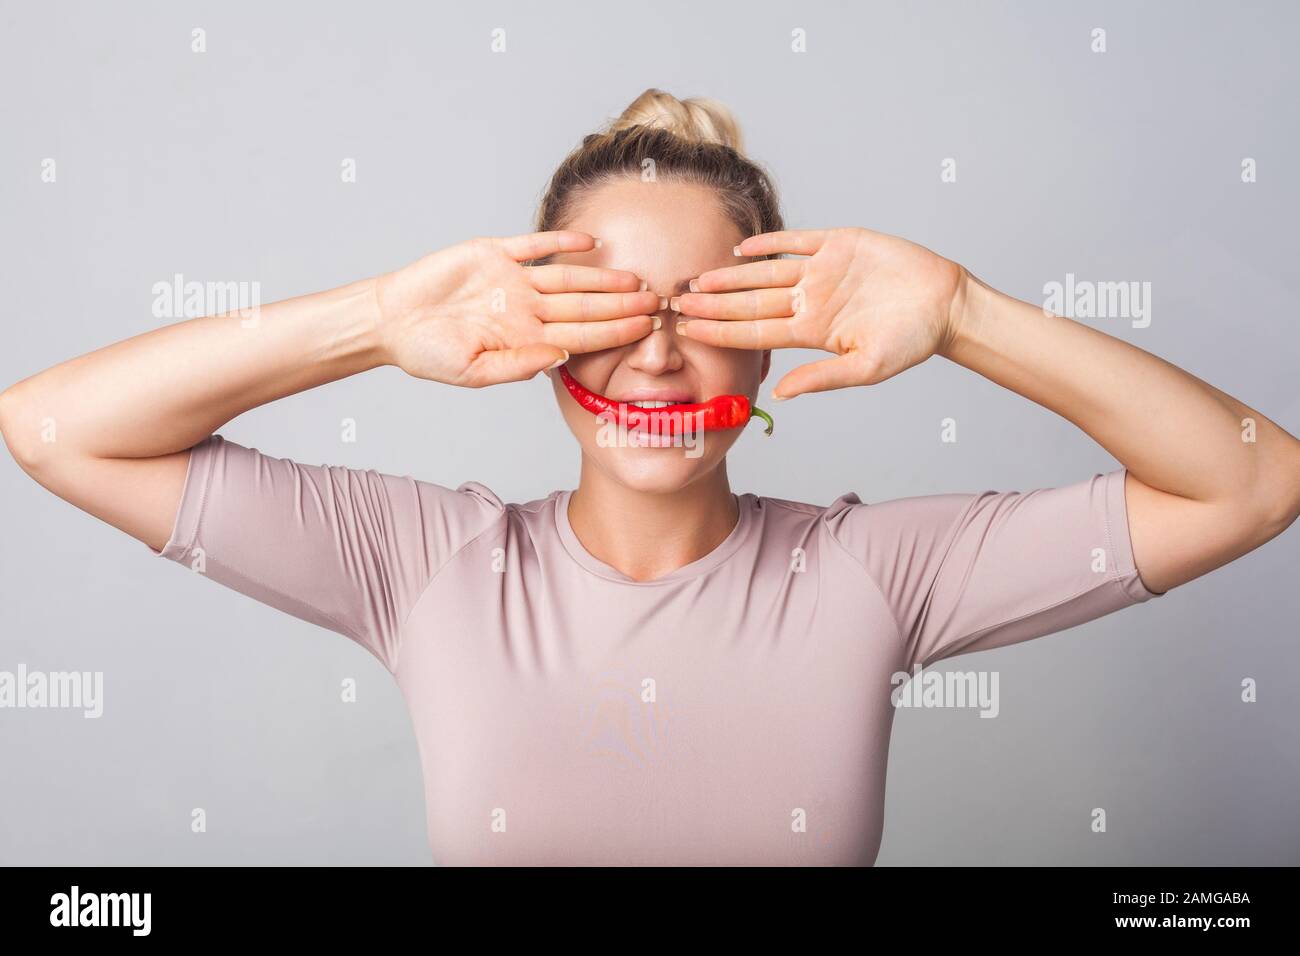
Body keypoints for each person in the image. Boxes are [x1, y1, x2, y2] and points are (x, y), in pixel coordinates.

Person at [2, 89, 1296, 865]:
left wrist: (965, 314)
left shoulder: (870, 575)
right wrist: (376, 320)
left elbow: (1250, 483)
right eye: (610, 310)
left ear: (780, 324)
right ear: (537, 329)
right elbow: (55, 427)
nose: (660, 359)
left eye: (704, 307)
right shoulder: (425, 566)